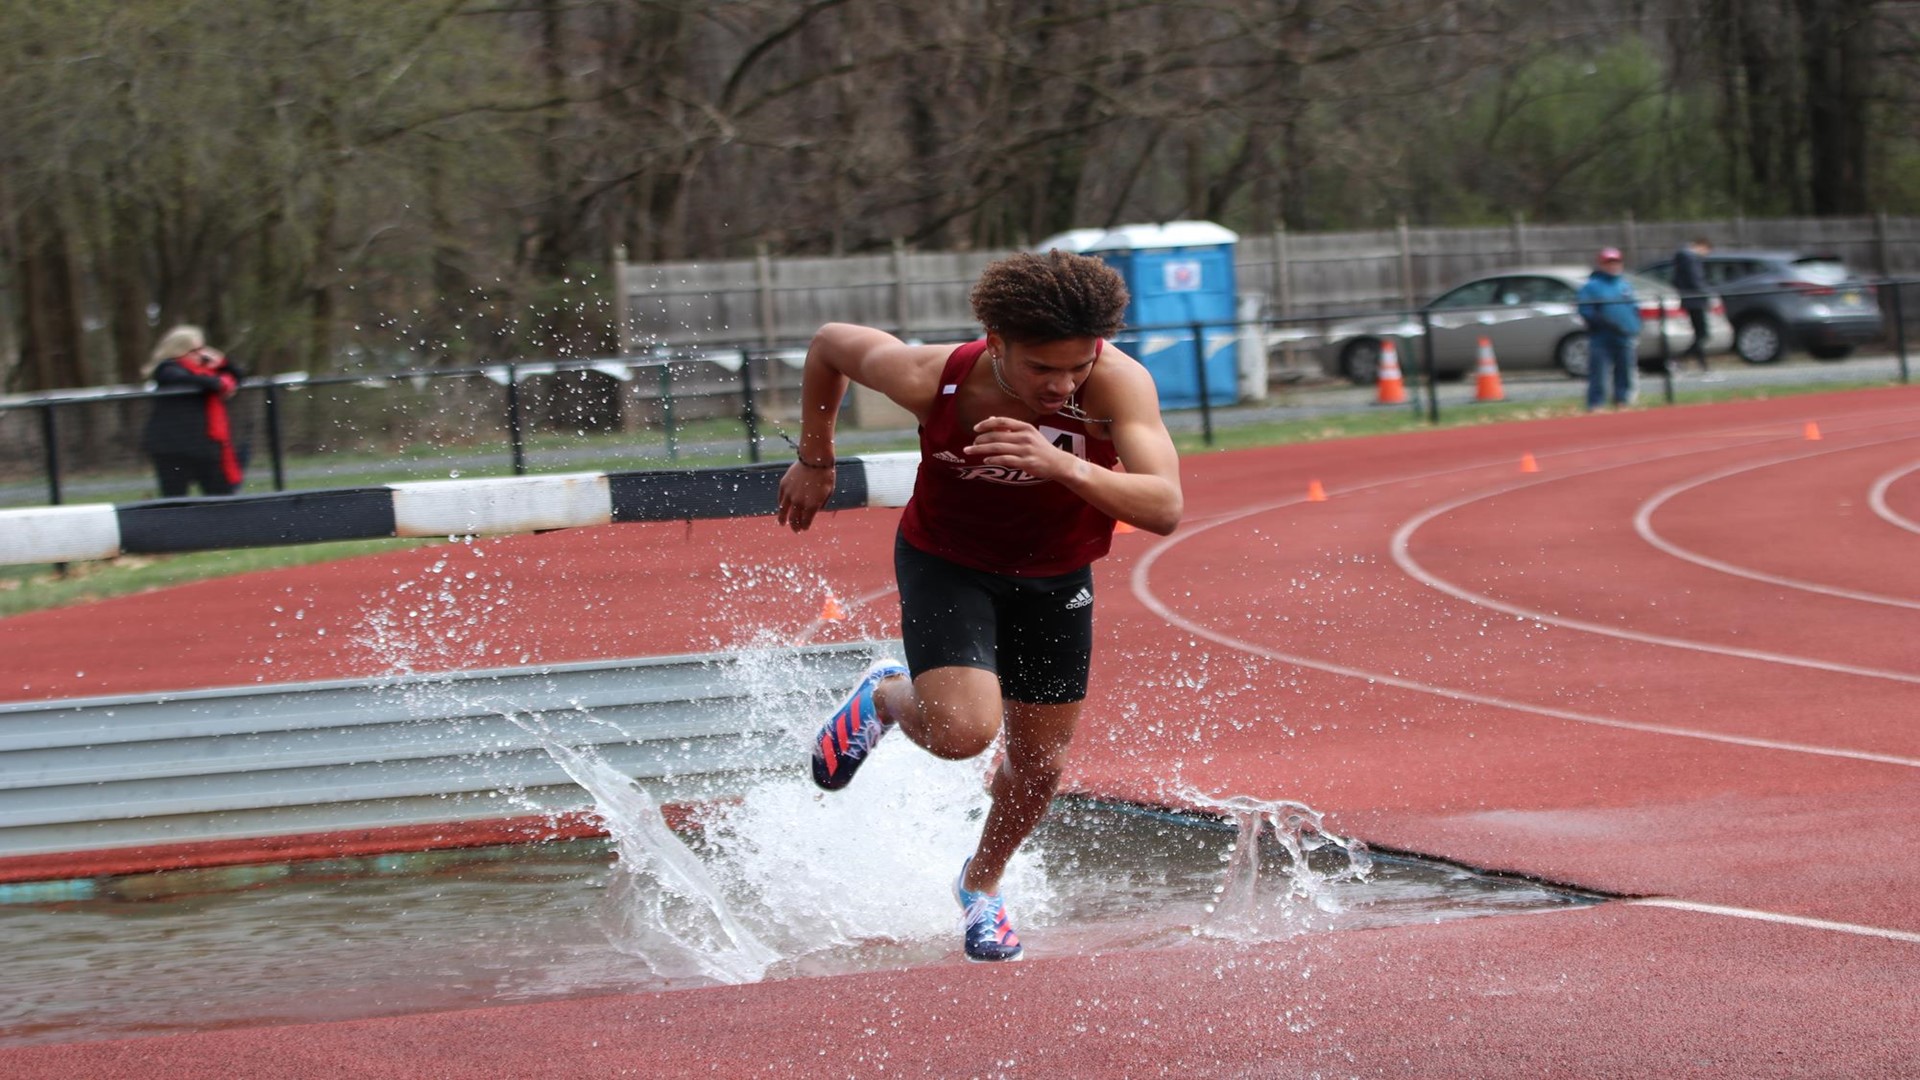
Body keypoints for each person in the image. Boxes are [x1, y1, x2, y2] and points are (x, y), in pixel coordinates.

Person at [775, 250, 1182, 962]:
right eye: (1041, 369)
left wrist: (1059, 462)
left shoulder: (1119, 386)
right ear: (996, 342)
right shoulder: (935, 377)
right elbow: (831, 344)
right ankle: (885, 698)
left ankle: (981, 887)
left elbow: (1166, 507)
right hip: (949, 563)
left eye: (1077, 367)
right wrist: (816, 458)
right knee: (964, 732)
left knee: (1040, 766)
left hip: (1057, 576)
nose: (1062, 386)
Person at [140, 325, 247, 496]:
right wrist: (218, 383)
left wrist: (222, 362)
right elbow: (198, 381)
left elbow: (238, 376)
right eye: (195, 350)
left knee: (220, 495)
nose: (203, 354)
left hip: (205, 446)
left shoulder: (206, 370)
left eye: (203, 348)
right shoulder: (167, 369)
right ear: (180, 350)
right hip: (173, 447)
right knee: (175, 498)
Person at [1576, 248, 1642, 412]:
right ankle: (1596, 403)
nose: (1613, 266)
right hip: (1602, 336)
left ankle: (1622, 400)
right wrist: (1604, 323)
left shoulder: (1624, 285)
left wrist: (1634, 326)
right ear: (1602, 264)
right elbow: (1586, 310)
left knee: (1625, 370)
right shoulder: (1592, 286)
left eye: (1616, 262)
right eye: (1609, 263)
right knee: (1599, 371)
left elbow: (1633, 307)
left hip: (1624, 336)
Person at [1671, 236, 1715, 375]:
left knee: (1699, 334)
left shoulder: (1684, 258)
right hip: (1695, 299)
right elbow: (1695, 279)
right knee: (1702, 333)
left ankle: (1703, 365)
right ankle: (1680, 359)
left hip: (1691, 298)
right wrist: (1706, 294)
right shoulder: (1690, 258)